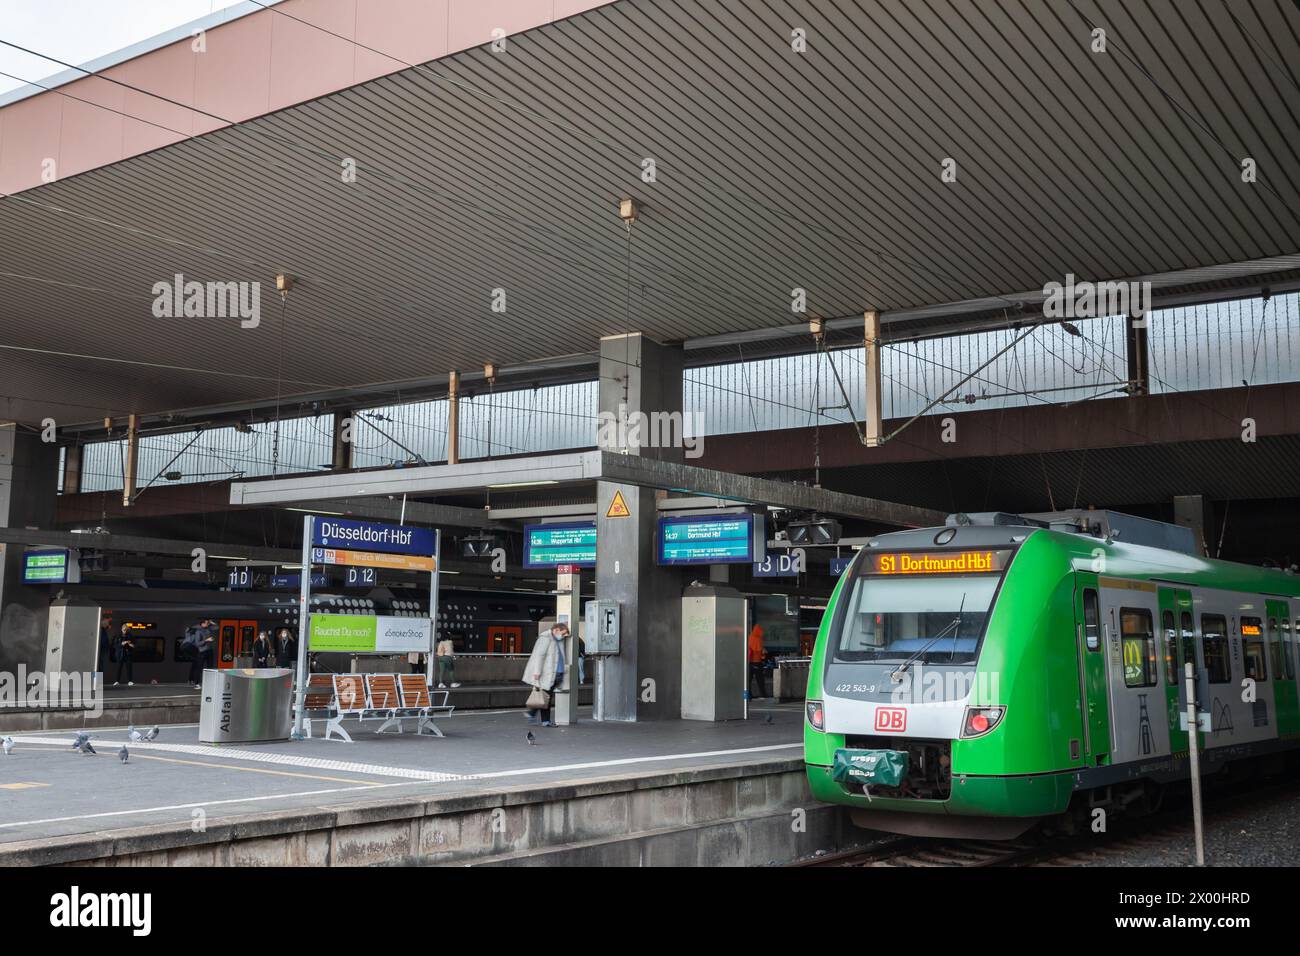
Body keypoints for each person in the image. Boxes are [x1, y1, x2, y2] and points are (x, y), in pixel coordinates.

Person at [523, 623, 567, 727]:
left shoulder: (556, 640)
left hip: (556, 674)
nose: (564, 636)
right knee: (546, 697)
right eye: (563, 633)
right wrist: (537, 672)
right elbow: (539, 656)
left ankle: (536, 715)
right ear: (556, 630)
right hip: (548, 674)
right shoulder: (546, 638)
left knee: (546, 697)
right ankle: (537, 716)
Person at [188, 618, 216, 688]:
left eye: (208, 623)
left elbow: (217, 627)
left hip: (210, 651)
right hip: (202, 651)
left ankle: (210, 682)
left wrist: (212, 623)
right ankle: (197, 683)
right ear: (202, 624)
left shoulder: (209, 629)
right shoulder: (198, 631)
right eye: (206, 623)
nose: (207, 624)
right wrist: (206, 640)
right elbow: (197, 643)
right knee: (199, 668)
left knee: (210, 668)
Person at [747, 621, 767, 700]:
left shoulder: (749, 637)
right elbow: (760, 652)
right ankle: (762, 694)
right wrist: (764, 652)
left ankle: (749, 695)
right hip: (757, 662)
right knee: (760, 680)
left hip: (749, 662)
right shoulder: (758, 640)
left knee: (748, 680)